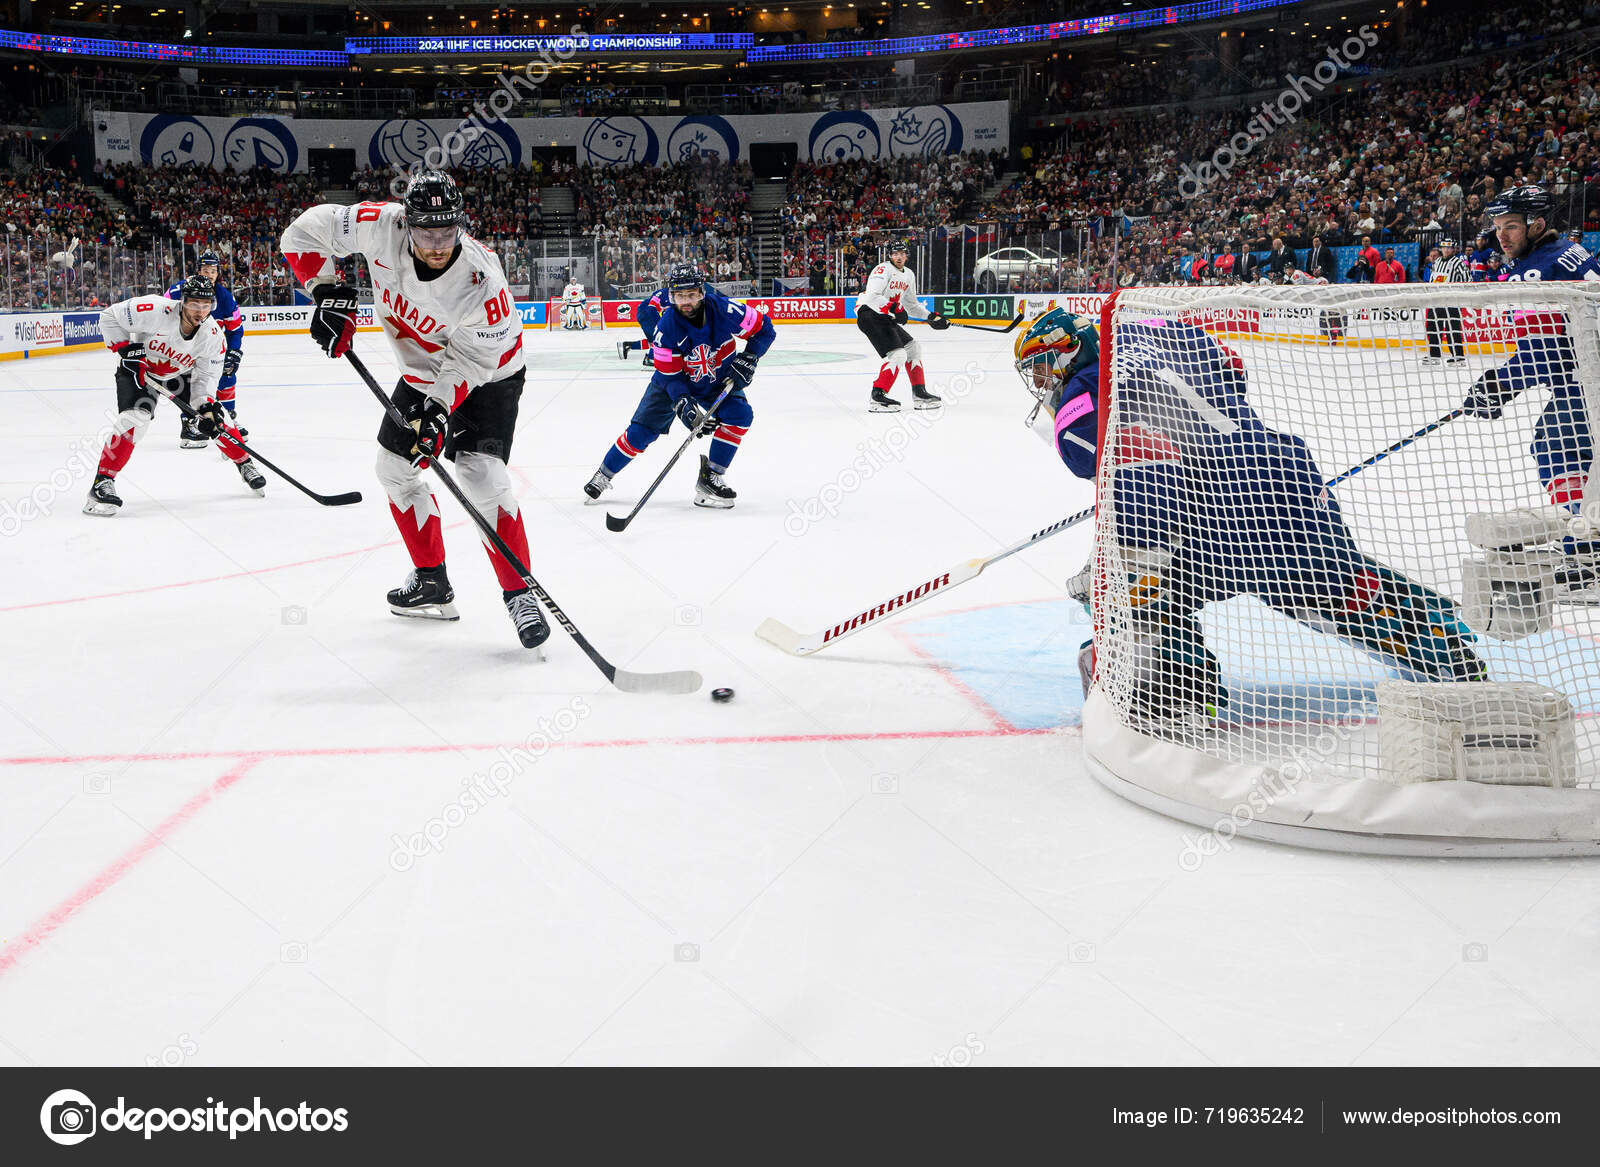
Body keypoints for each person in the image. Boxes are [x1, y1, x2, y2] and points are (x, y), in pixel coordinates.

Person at [1012, 308, 1485, 724]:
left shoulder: (1077, 400)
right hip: (1285, 470)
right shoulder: (1149, 329)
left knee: (1111, 585)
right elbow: (1231, 366)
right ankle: (1447, 647)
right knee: (1339, 588)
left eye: (1039, 365)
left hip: (1209, 512)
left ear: (1067, 351)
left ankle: (1172, 697)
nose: (1039, 381)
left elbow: (1129, 469)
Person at [279, 171, 548, 650]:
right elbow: (301, 232)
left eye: (449, 232)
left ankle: (519, 592)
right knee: (393, 468)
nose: (439, 243)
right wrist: (325, 291)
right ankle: (432, 582)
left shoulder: (481, 279)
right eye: (428, 233)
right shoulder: (379, 225)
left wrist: (440, 414)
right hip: (423, 370)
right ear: (408, 223)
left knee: (480, 471)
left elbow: (472, 361)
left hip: (491, 373)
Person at [1460, 185, 1599, 597]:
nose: (1500, 236)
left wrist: (1501, 384)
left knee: (1555, 446)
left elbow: (1545, 350)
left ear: (1537, 225)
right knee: (1575, 452)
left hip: (1587, 381)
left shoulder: (1536, 269)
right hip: (1585, 378)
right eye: (1498, 227)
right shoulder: (1568, 252)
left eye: (1511, 227)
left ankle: (1588, 553)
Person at [582, 264, 774, 510]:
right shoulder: (665, 328)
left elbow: (764, 328)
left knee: (740, 415)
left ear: (702, 293)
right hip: (671, 383)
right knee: (641, 433)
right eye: (680, 296)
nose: (686, 301)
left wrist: (750, 356)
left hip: (716, 378)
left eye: (691, 295)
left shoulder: (725, 309)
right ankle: (604, 474)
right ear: (671, 296)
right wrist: (683, 403)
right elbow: (670, 377)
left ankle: (711, 477)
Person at [83, 275, 265, 516]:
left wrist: (207, 409)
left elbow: (204, 381)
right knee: (134, 419)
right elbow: (108, 317)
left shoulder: (213, 338)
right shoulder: (153, 309)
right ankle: (102, 482)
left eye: (205, 305)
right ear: (182, 302)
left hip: (179, 375)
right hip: (139, 369)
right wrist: (126, 350)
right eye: (193, 304)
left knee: (219, 419)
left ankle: (245, 463)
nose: (199, 311)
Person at [855, 240, 949, 412]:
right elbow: (872, 296)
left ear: (906, 256)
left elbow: (911, 305)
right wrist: (895, 308)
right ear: (890, 255)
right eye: (895, 254)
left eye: (902, 254)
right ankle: (877, 396)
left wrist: (930, 317)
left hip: (884, 316)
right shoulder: (883, 269)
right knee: (898, 355)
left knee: (913, 348)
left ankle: (919, 392)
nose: (899, 257)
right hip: (869, 313)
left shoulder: (909, 275)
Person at [165, 250, 244, 447]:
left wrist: (234, 352)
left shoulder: (225, 298)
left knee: (227, 376)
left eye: (213, 271)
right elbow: (162, 313)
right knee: (187, 384)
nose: (209, 274)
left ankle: (227, 419)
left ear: (218, 274)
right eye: (205, 270)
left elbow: (235, 329)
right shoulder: (177, 291)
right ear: (198, 271)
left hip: (210, 349)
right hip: (183, 348)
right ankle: (189, 425)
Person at [1422, 238, 1469, 364]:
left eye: (1449, 247)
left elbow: (1467, 279)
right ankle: (1435, 355)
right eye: (1444, 247)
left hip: (1452, 301)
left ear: (1454, 249)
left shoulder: (1458, 263)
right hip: (1436, 300)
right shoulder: (1437, 261)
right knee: (1432, 327)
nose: (1446, 250)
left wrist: (1459, 293)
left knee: (1452, 329)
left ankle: (1458, 356)